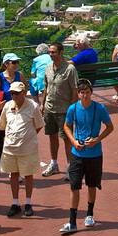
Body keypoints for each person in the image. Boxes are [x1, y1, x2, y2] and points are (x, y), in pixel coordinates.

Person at [60, 79, 113, 234]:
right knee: (74, 186)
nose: (85, 96)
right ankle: (72, 221)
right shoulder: (73, 109)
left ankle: (90, 214)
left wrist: (97, 139)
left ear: (91, 93)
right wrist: (73, 141)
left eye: (87, 93)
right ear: (78, 94)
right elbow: (66, 126)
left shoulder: (99, 108)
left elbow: (110, 127)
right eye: (82, 93)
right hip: (77, 154)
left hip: (94, 154)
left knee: (92, 184)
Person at [0, 80, 42, 218]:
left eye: (17, 93)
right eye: (12, 93)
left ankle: (28, 203)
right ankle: (15, 203)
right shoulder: (7, 106)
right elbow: (2, 125)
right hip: (10, 149)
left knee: (28, 175)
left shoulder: (33, 106)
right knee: (14, 175)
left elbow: (39, 125)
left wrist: (28, 137)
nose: (14, 96)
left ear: (23, 93)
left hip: (27, 149)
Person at [39, 42, 77, 178]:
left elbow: (74, 90)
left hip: (64, 110)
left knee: (67, 139)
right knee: (52, 137)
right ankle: (54, 164)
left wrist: (72, 109)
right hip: (50, 108)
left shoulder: (70, 69)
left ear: (61, 53)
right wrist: (42, 104)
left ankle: (69, 167)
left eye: (53, 52)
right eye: (49, 52)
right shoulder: (48, 68)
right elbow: (46, 87)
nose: (50, 54)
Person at [0, 53, 24, 185]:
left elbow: (24, 92)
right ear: (6, 64)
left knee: (14, 142)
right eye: (13, 62)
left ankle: (13, 170)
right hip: (2, 114)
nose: (16, 65)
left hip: (17, 114)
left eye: (17, 62)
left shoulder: (20, 76)